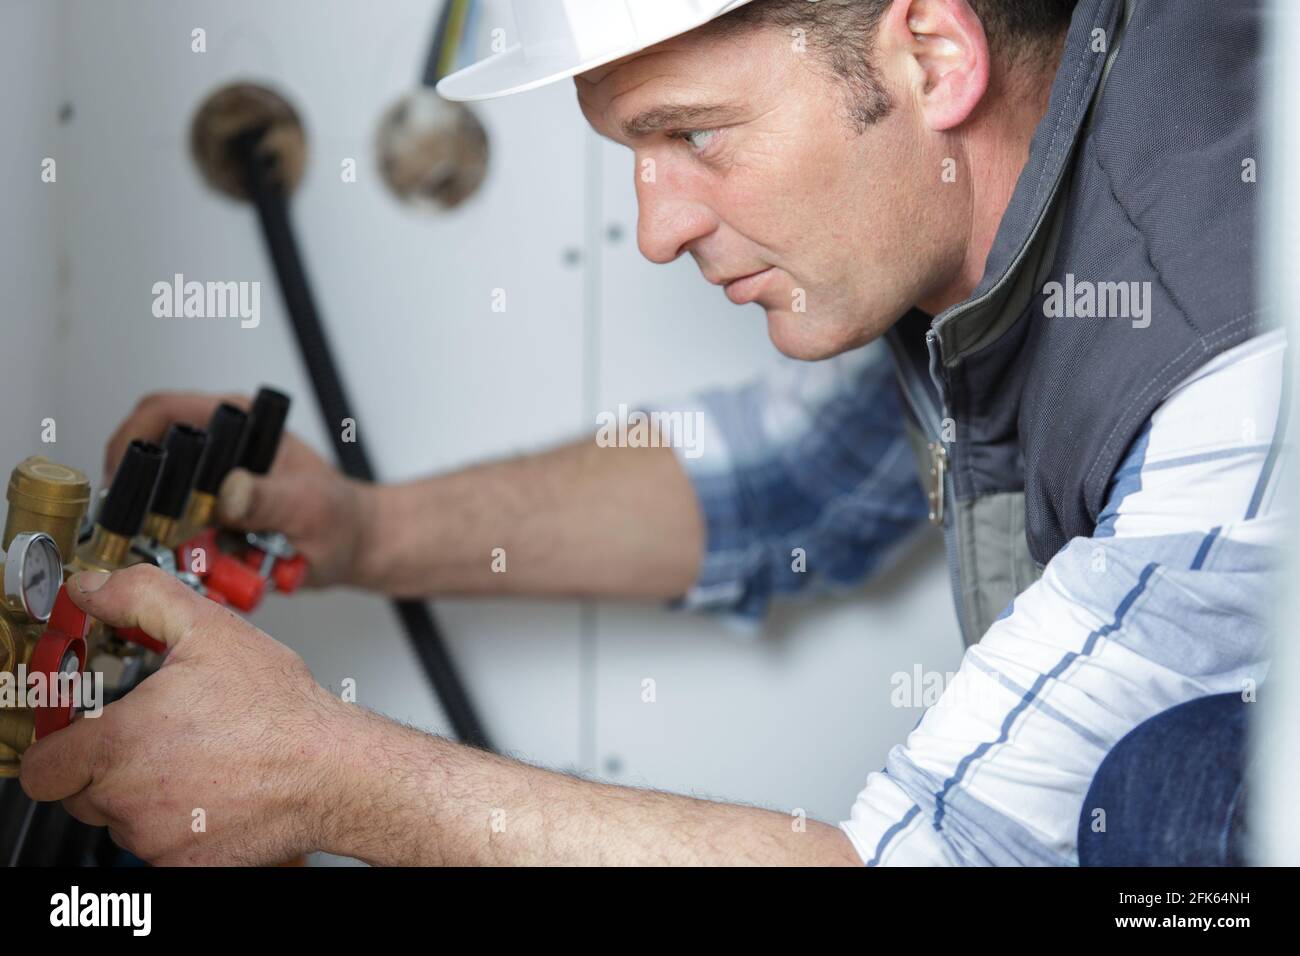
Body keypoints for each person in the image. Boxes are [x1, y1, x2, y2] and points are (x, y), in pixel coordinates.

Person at [20, 0, 1283, 866]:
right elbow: (797, 482)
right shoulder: (990, 201)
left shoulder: (1230, 334)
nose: (656, 228)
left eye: (690, 133)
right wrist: (362, 527)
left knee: (1173, 791)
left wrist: (334, 776)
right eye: (634, 149)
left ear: (935, 57)